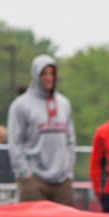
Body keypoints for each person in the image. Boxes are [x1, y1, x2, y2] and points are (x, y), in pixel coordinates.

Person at [6, 54, 75, 206]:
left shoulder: (64, 103)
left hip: (62, 180)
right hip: (34, 180)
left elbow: (70, 140)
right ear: (36, 75)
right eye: (44, 73)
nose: (49, 77)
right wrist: (25, 174)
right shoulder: (20, 105)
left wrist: (68, 171)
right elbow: (15, 142)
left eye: (52, 73)